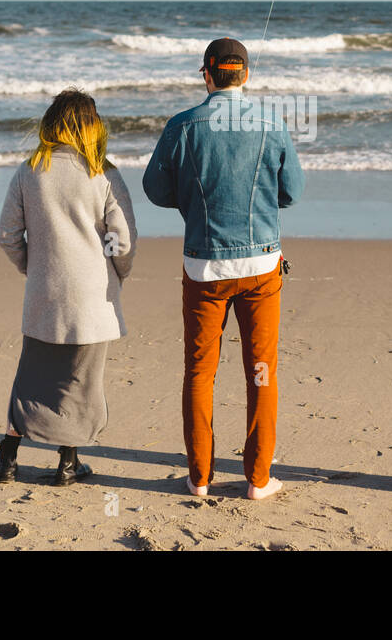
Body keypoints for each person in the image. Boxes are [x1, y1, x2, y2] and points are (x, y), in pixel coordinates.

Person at [142, 38, 304, 500]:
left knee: (199, 371)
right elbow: (292, 192)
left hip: (204, 265)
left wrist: (193, 200)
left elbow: (155, 187)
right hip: (260, 266)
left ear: (208, 76)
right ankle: (257, 479)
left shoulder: (182, 125)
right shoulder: (272, 123)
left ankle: (199, 478)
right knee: (261, 370)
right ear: (246, 76)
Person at [0, 88, 136, 487]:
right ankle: (68, 464)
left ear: (52, 123)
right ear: (92, 128)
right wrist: (117, 274)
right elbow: (121, 241)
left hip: (45, 293)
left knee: (31, 378)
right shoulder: (103, 173)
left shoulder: (29, 170)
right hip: (92, 297)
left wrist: (34, 269)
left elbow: (7, 235)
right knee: (80, 380)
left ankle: (7, 459)